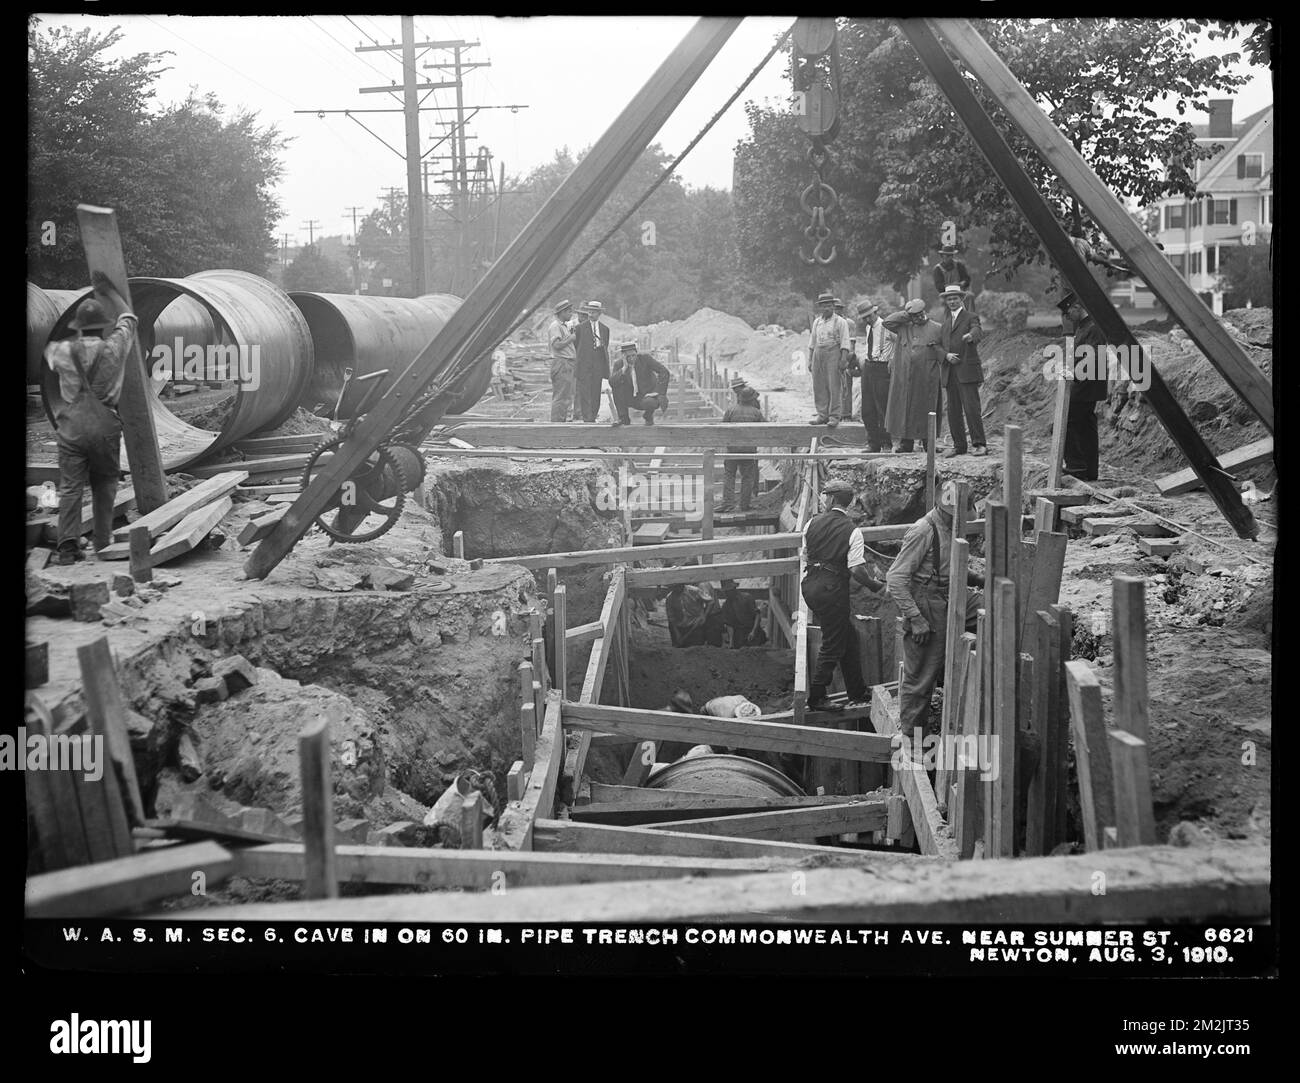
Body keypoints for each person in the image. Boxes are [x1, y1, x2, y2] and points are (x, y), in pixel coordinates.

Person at [44, 270, 138, 564]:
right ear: (103, 326)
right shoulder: (115, 347)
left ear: (80, 328)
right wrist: (109, 291)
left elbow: (48, 355)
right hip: (105, 426)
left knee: (70, 487)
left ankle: (68, 548)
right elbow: (129, 319)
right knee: (105, 482)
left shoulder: (60, 351)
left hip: (71, 426)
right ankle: (101, 541)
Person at [886, 479, 985, 735]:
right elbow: (895, 578)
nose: (957, 519)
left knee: (994, 611)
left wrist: (979, 579)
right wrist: (916, 618)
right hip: (926, 600)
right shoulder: (923, 530)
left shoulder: (954, 525)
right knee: (921, 674)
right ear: (941, 507)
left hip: (952, 591)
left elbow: (949, 564)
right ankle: (912, 735)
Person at [801, 479, 885, 710]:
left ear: (832, 499)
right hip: (832, 591)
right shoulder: (853, 531)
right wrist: (875, 585)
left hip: (810, 586)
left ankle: (857, 691)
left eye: (826, 496)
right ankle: (817, 696)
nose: (824, 500)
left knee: (848, 637)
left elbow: (806, 555)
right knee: (833, 642)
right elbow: (856, 569)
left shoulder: (811, 523)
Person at [1058, 290, 1110, 481]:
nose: (1067, 317)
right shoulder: (1083, 326)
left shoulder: (1093, 327)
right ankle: (1089, 470)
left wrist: (1075, 373)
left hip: (1087, 385)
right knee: (1086, 426)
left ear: (1077, 307)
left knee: (1071, 421)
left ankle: (1077, 466)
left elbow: (1094, 356)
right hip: (1084, 383)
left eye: (1068, 312)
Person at [883, 298, 944, 453]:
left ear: (925, 312)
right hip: (905, 377)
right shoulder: (904, 327)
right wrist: (907, 313)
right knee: (906, 408)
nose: (918, 317)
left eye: (920, 313)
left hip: (927, 376)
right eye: (914, 315)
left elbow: (943, 350)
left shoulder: (937, 328)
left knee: (927, 408)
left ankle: (929, 443)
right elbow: (887, 322)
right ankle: (906, 444)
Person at [938, 284, 988, 458]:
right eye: (949, 299)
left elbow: (977, 329)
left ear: (961, 299)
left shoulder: (970, 317)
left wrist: (971, 335)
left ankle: (980, 444)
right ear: (946, 301)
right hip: (950, 372)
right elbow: (936, 346)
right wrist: (946, 355)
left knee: (972, 408)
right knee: (953, 411)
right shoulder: (944, 325)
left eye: (955, 298)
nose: (952, 301)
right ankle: (959, 446)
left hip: (967, 371)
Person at [854, 300, 894, 452]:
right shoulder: (868, 328)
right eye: (864, 317)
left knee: (882, 408)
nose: (867, 319)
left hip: (882, 369)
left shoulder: (887, 327)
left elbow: (899, 344)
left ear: (875, 312)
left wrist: (892, 360)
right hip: (869, 367)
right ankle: (873, 443)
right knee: (868, 408)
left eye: (869, 316)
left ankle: (886, 443)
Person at [806, 292, 851, 427]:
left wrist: (843, 360)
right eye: (824, 306)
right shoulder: (817, 322)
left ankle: (834, 416)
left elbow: (845, 342)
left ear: (833, 306)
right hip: (818, 353)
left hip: (833, 352)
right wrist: (810, 360)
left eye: (829, 306)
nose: (827, 308)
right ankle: (822, 415)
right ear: (820, 307)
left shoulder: (841, 322)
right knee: (819, 386)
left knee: (834, 386)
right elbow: (812, 342)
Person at [719, 382, 764, 512]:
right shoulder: (756, 413)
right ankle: (744, 505)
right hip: (749, 451)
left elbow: (722, 428)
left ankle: (727, 504)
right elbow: (767, 429)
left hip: (732, 450)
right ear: (752, 399)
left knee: (729, 475)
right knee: (747, 477)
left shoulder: (730, 410)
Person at [609, 340, 671, 425]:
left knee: (651, 403)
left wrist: (657, 392)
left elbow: (664, 372)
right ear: (623, 356)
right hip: (630, 398)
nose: (631, 358)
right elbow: (611, 382)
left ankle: (648, 416)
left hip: (646, 397)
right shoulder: (619, 364)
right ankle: (624, 419)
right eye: (628, 356)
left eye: (633, 355)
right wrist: (624, 369)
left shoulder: (645, 359)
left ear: (636, 353)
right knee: (616, 384)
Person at [574, 300, 611, 423]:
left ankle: (593, 416)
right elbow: (576, 345)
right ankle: (586, 418)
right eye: (589, 311)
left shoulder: (605, 329)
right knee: (584, 392)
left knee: (596, 390)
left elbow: (605, 346)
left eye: (594, 312)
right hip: (584, 363)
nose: (591, 314)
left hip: (598, 363)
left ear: (599, 313)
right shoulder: (579, 328)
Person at [665, 577, 725, 647]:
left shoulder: (694, 591)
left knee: (696, 650)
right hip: (681, 628)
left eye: (678, 586)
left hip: (695, 627)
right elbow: (671, 619)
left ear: (682, 584)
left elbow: (710, 602)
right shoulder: (670, 598)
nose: (677, 589)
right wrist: (677, 634)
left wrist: (704, 616)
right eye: (674, 587)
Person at [547, 299, 579, 422]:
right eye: (569, 312)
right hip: (561, 363)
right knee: (561, 396)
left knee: (565, 396)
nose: (571, 314)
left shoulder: (563, 326)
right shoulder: (556, 326)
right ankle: (556, 424)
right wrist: (571, 338)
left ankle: (561, 421)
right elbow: (557, 345)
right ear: (562, 312)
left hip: (566, 363)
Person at [719, 579, 766, 647]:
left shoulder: (747, 598)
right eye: (726, 592)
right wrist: (731, 642)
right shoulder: (726, 605)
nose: (727, 594)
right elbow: (729, 625)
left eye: (729, 591)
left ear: (734, 589)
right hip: (739, 633)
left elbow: (757, 615)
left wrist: (753, 631)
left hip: (753, 630)